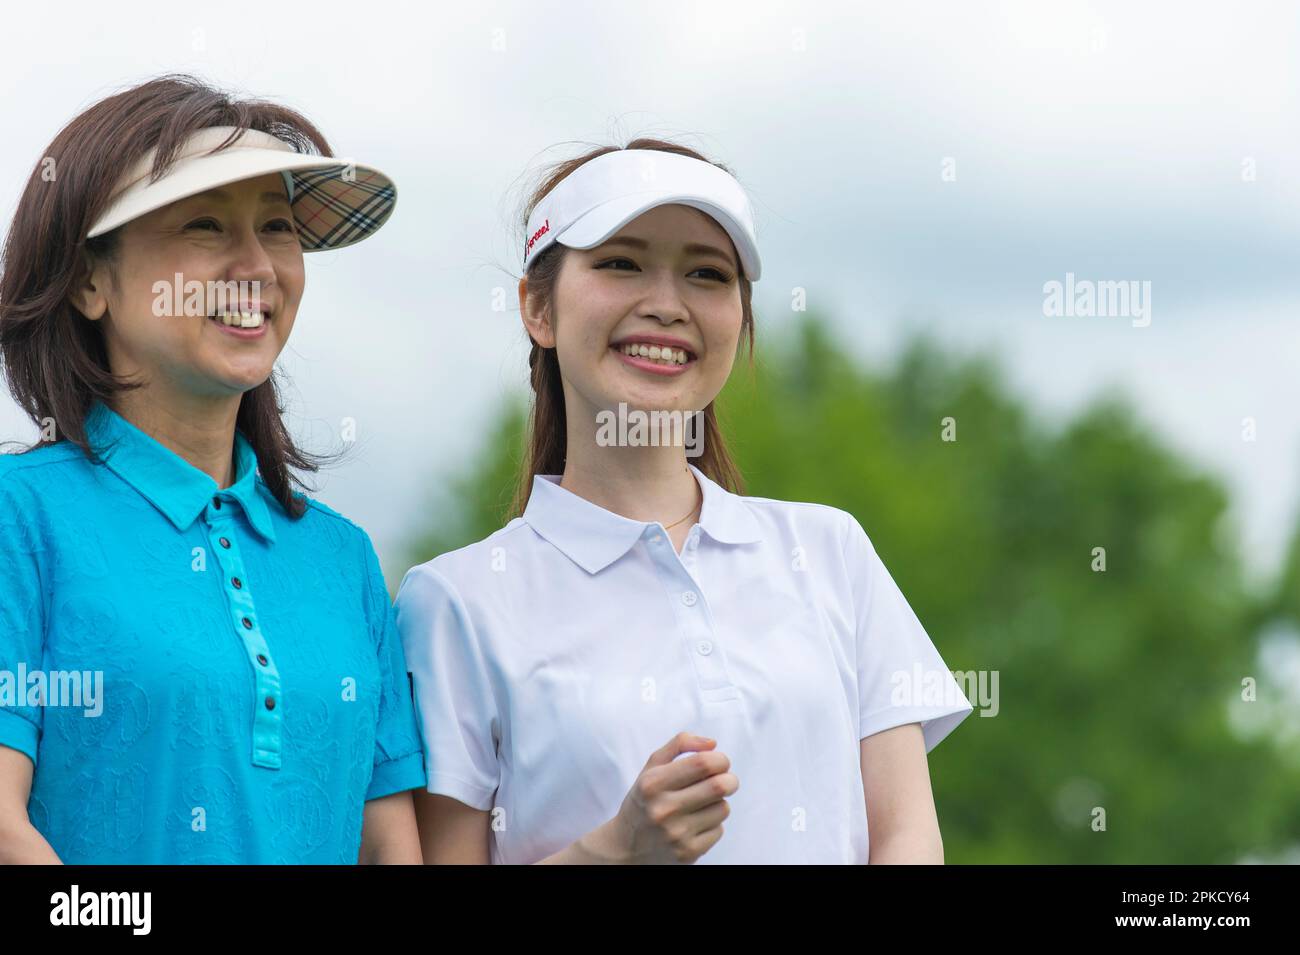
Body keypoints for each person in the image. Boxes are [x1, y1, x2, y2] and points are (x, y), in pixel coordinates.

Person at [395, 139, 974, 864]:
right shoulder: (454, 601)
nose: (667, 305)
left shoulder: (834, 551)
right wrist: (614, 850)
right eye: (621, 263)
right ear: (537, 308)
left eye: (707, 273)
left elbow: (908, 837)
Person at [0, 75, 425, 864]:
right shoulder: (18, 517)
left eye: (277, 226)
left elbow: (389, 851)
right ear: (92, 280)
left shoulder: (346, 559)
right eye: (205, 225)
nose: (257, 265)